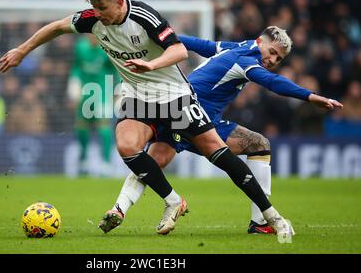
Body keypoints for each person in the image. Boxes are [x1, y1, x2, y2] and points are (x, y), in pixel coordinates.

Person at [0, 0, 293, 238]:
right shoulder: (92, 18)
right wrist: (22, 50)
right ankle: (173, 201)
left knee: (219, 154)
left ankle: (271, 216)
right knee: (127, 146)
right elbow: (59, 27)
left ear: (120, 1)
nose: (97, 14)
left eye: (103, 7)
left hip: (173, 94)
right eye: (94, 7)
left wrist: (151, 65)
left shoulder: (145, 17)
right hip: (137, 95)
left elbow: (178, 51)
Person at [98, 26, 343, 235]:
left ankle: (119, 209)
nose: (272, 61)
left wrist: (164, 38)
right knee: (254, 145)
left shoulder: (232, 47)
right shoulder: (245, 61)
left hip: (189, 114)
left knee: (157, 160)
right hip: (193, 118)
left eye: (278, 59)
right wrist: (310, 96)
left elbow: (198, 44)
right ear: (260, 42)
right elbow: (273, 82)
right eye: (271, 52)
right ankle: (262, 220)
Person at [67, 34, 119, 176]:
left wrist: (118, 88)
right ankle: (83, 161)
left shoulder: (107, 48)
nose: (92, 37)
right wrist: (74, 82)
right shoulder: (81, 47)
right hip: (85, 91)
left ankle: (106, 163)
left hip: (103, 90)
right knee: (82, 126)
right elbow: (76, 67)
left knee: (103, 126)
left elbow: (115, 68)